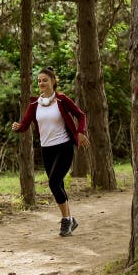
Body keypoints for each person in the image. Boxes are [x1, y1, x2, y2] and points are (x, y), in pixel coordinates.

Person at [12, 67, 89, 236]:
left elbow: (81, 115)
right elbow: (25, 125)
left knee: (53, 183)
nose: (41, 83)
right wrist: (18, 127)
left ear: (53, 81)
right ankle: (70, 219)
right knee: (58, 185)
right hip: (47, 150)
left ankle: (65, 220)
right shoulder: (34, 105)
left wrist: (80, 132)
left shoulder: (62, 100)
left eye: (45, 80)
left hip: (64, 146)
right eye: (39, 81)